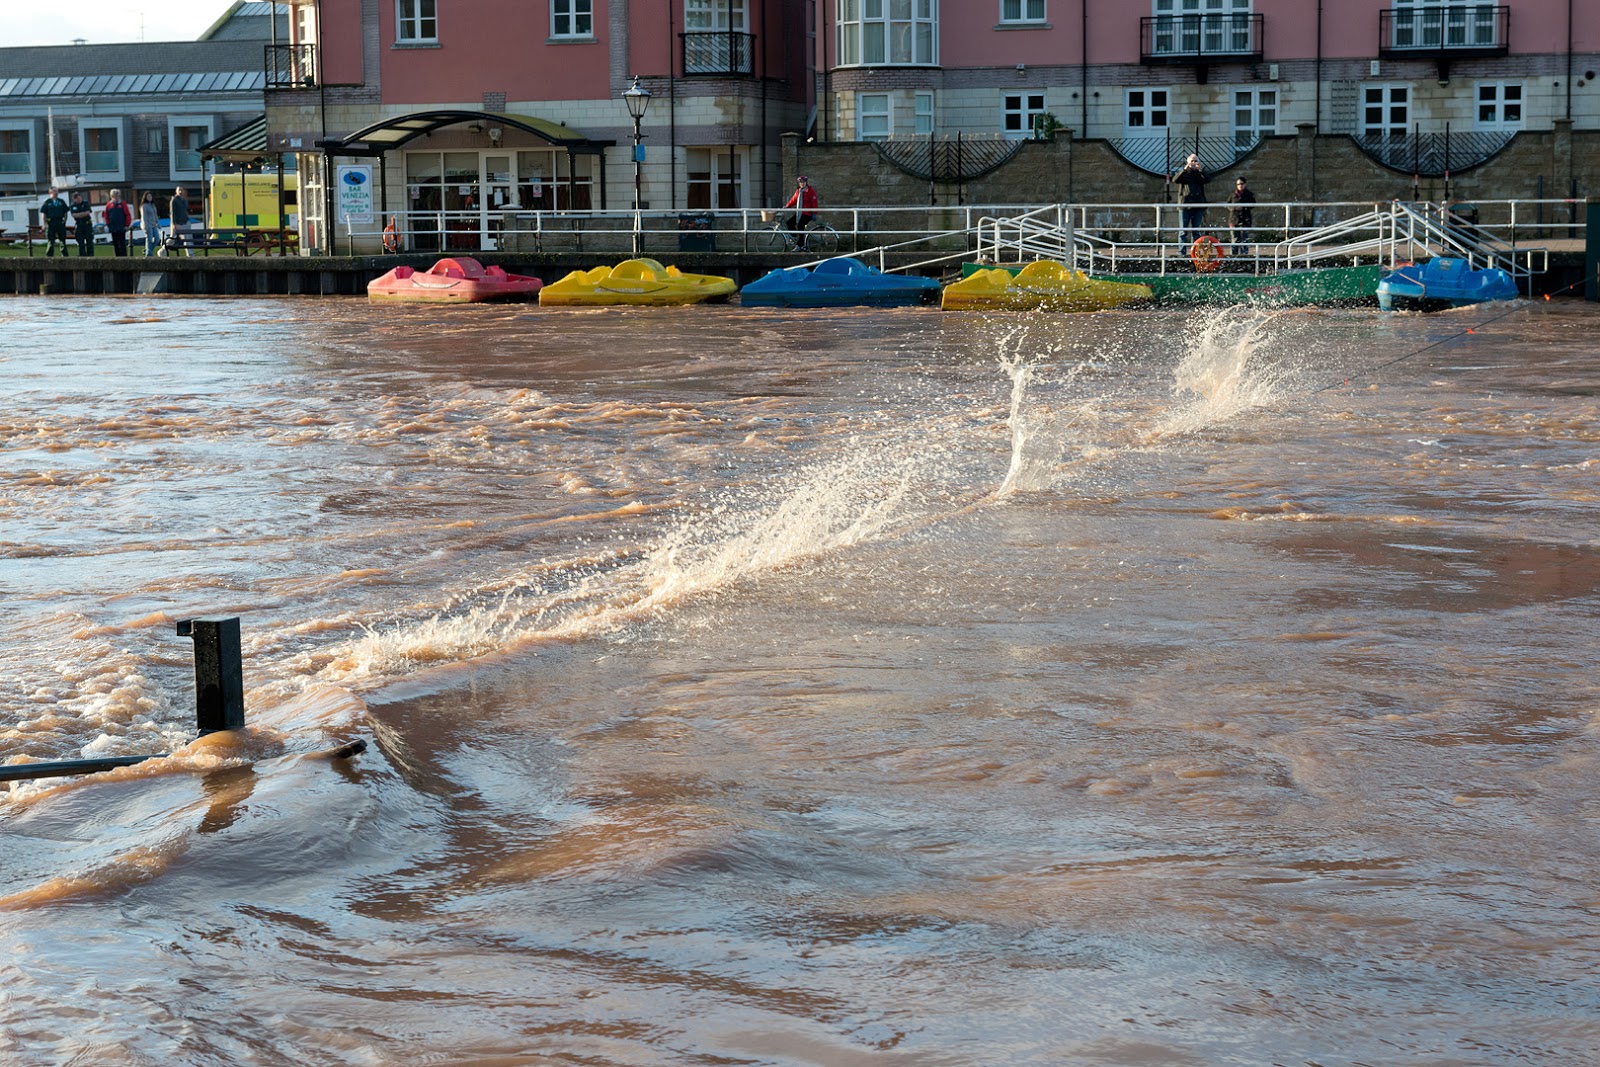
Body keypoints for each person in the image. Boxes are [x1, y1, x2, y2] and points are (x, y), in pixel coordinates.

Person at [1169, 153, 1207, 249]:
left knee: (1196, 231)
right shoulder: (1184, 173)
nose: (1194, 163)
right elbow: (1175, 179)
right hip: (1185, 205)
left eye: (1196, 161)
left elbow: (1208, 179)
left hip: (1198, 205)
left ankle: (1195, 252)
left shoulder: (1200, 173)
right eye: (1192, 161)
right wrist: (1185, 170)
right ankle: (1182, 252)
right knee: (1183, 231)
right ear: (1188, 162)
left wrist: (1200, 170)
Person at [783, 174, 819, 249]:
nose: (802, 183)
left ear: (806, 182)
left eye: (804, 182)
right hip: (799, 213)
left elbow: (814, 202)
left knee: (800, 226)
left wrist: (814, 213)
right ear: (799, 183)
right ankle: (794, 238)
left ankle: (800, 245)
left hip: (807, 213)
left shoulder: (810, 191)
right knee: (789, 223)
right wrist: (787, 206)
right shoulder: (798, 191)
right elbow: (793, 200)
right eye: (801, 182)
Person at [1227, 175, 1256, 256]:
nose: (1240, 186)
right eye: (1238, 184)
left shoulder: (1249, 194)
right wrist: (1234, 208)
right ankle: (1234, 256)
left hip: (1245, 219)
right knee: (1235, 239)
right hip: (1234, 219)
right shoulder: (1232, 194)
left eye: (1241, 184)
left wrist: (1244, 206)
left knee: (1244, 239)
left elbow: (1253, 204)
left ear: (1245, 184)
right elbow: (1228, 205)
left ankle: (1244, 256)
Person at [40, 186, 70, 256]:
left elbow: (65, 212)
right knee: (51, 240)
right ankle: (50, 256)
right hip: (51, 222)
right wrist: (44, 224)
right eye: (54, 191)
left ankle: (65, 255)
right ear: (50, 192)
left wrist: (64, 221)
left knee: (62, 239)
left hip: (59, 222)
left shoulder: (61, 201)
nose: (56, 193)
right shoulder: (47, 202)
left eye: (57, 191)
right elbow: (44, 213)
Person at [103, 189, 133, 256]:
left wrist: (127, 225)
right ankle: (117, 258)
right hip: (113, 228)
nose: (116, 197)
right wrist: (108, 225)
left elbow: (127, 215)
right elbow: (106, 216)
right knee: (115, 244)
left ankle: (124, 258)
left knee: (122, 244)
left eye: (117, 195)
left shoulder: (122, 204)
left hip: (122, 227)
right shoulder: (109, 205)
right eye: (114, 195)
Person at [169, 186, 192, 255]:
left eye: (182, 190)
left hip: (185, 222)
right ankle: (163, 251)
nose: (180, 191)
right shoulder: (174, 200)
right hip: (178, 223)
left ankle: (190, 254)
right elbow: (172, 213)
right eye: (179, 190)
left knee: (188, 239)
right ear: (176, 191)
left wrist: (188, 221)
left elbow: (185, 211)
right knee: (172, 239)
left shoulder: (184, 200)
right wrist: (174, 224)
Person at [139, 192, 162, 256]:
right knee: (149, 239)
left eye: (150, 196)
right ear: (145, 197)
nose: (149, 198)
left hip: (154, 225)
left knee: (157, 239)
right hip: (148, 225)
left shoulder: (153, 205)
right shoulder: (144, 206)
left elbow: (155, 215)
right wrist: (145, 226)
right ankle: (149, 255)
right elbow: (144, 217)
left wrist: (158, 223)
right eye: (148, 196)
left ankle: (148, 250)